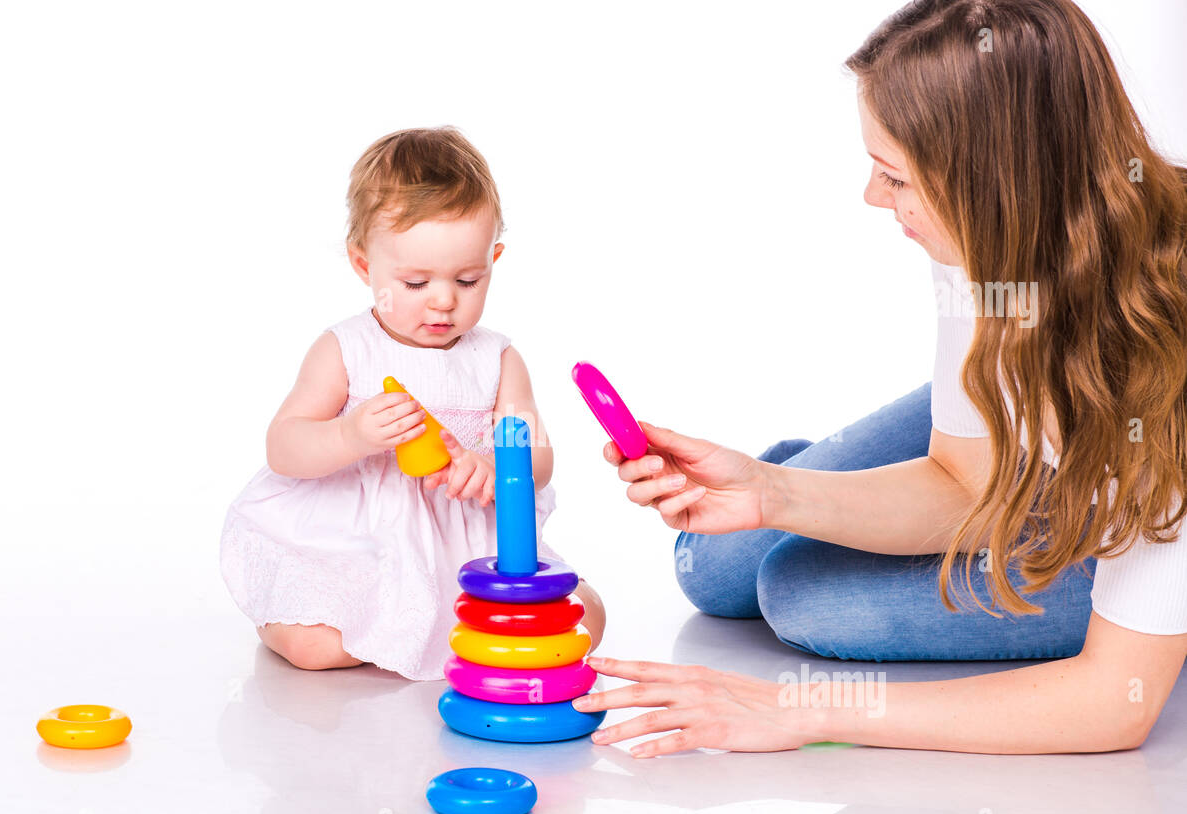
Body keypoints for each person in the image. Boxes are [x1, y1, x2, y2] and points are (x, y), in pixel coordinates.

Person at [572, 0, 1186, 755]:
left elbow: (1112, 703)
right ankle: (1048, 493)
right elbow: (966, 480)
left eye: (895, 177)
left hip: (1138, 477)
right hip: (1051, 434)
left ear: (994, 183)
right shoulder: (986, 248)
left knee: (805, 598)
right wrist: (772, 491)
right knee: (717, 565)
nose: (871, 197)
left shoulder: (1157, 368)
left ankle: (1146, 589)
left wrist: (800, 710)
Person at [220, 127, 605, 679]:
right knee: (317, 649)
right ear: (363, 265)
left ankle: (449, 626)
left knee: (585, 619)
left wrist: (495, 468)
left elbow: (538, 460)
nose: (444, 300)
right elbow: (284, 445)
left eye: (468, 280)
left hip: (467, 548)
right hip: (363, 548)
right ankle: (290, 615)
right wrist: (349, 435)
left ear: (493, 259)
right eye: (416, 282)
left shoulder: (497, 359)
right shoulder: (346, 349)